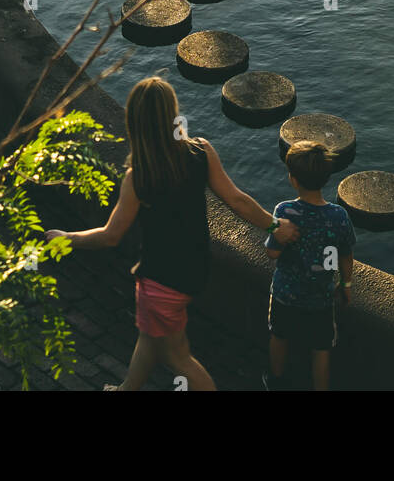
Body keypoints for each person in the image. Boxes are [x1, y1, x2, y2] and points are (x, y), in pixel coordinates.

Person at [45, 76, 300, 392]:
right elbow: (236, 199)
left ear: (135, 120)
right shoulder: (200, 151)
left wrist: (67, 239)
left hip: (161, 280)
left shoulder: (139, 174)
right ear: (172, 113)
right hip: (194, 269)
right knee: (151, 335)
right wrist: (274, 225)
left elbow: (112, 235)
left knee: (178, 358)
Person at [264, 140, 355, 392]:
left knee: (279, 336)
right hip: (322, 298)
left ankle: (276, 382)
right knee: (321, 349)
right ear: (326, 178)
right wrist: (346, 284)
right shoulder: (339, 216)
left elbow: (272, 252)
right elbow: (346, 255)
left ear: (293, 179)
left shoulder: (285, 211)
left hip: (285, 295)